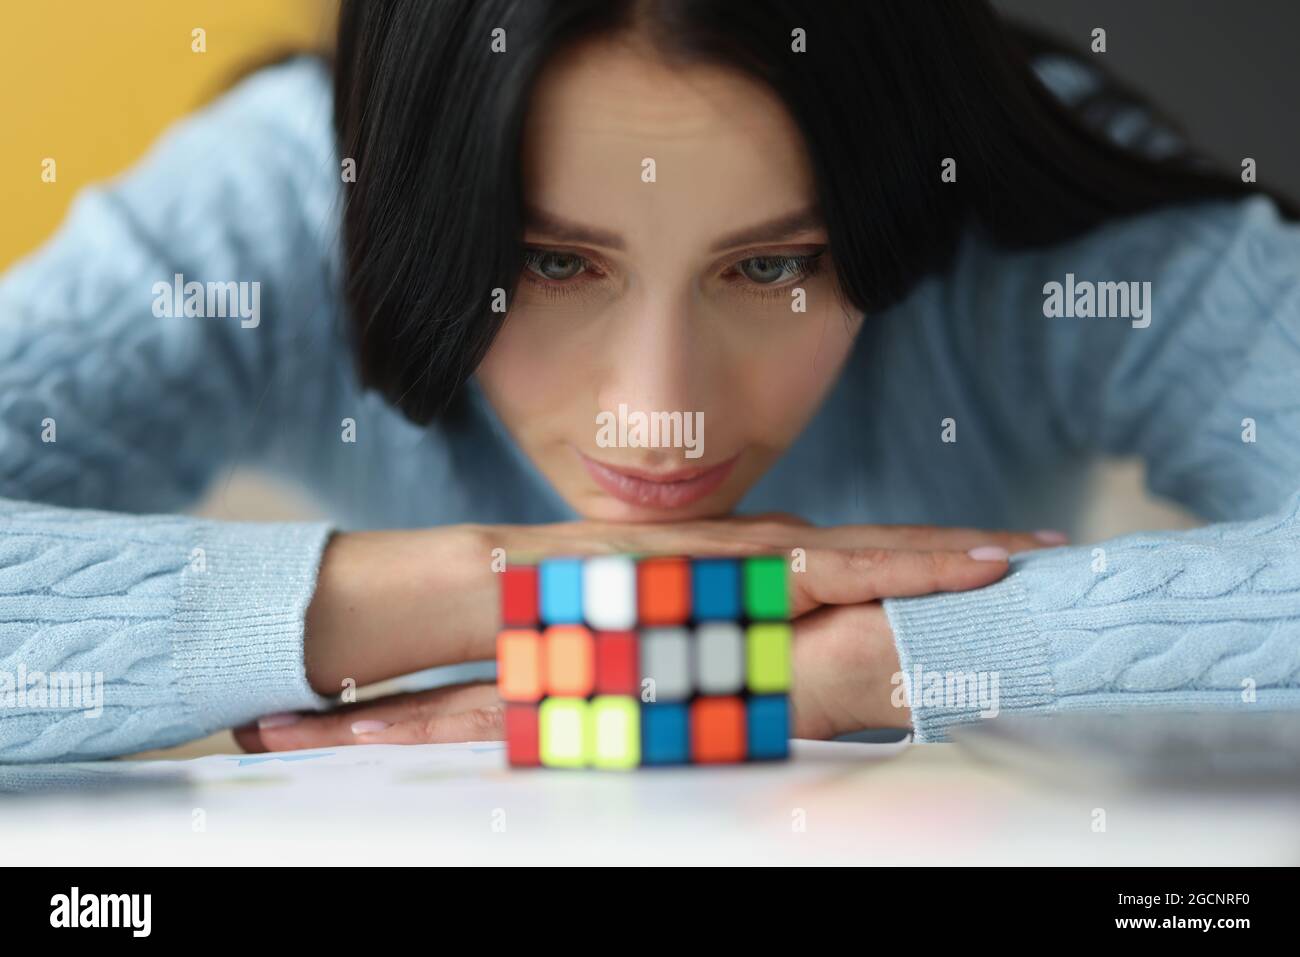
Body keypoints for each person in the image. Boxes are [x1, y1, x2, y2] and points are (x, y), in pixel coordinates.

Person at [1, 0, 1297, 762]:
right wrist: (519, 593)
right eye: (554, 263)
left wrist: (814, 669)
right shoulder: (281, 203)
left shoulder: (1009, 203)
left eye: (777, 262)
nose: (658, 412)